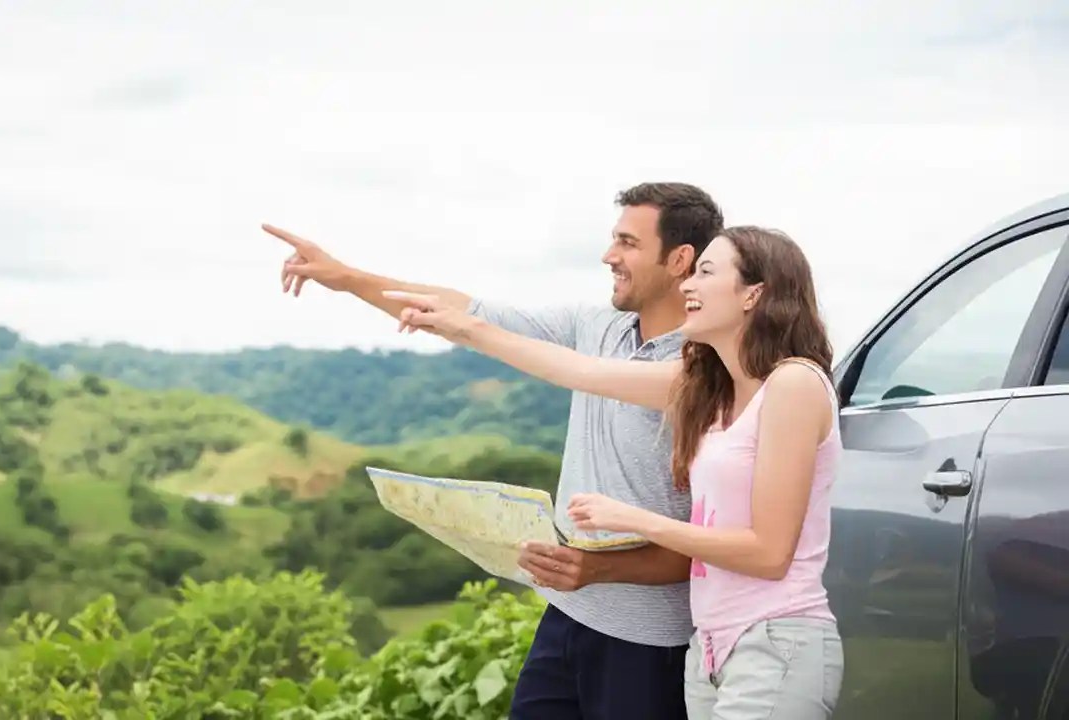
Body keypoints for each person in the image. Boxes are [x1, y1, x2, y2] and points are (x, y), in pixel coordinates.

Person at [265, 182, 725, 718]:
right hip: (566, 617)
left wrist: (597, 570)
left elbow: (707, 541)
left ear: (680, 259)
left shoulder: (708, 368)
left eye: (627, 242)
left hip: (650, 642)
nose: (608, 255)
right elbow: (464, 310)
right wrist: (345, 278)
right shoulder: (596, 325)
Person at [386, 225, 845, 718]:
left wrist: (636, 520)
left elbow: (769, 553)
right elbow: (578, 371)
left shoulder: (794, 384)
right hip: (711, 649)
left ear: (754, 292)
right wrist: (465, 329)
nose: (688, 285)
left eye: (706, 273)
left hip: (776, 640)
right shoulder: (712, 390)